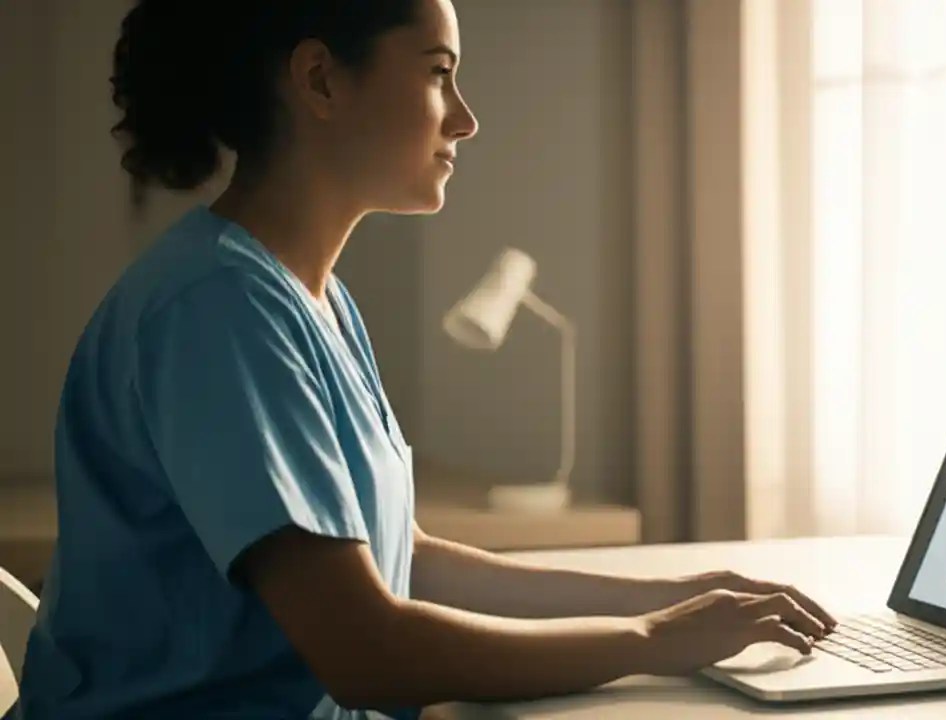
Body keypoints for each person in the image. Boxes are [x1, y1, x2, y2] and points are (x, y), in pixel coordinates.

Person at [9, 2, 836, 718]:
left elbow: (409, 559)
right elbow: (367, 649)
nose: (465, 117)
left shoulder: (309, 297)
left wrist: (672, 601)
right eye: (440, 72)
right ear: (322, 80)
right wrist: (648, 641)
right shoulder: (219, 308)